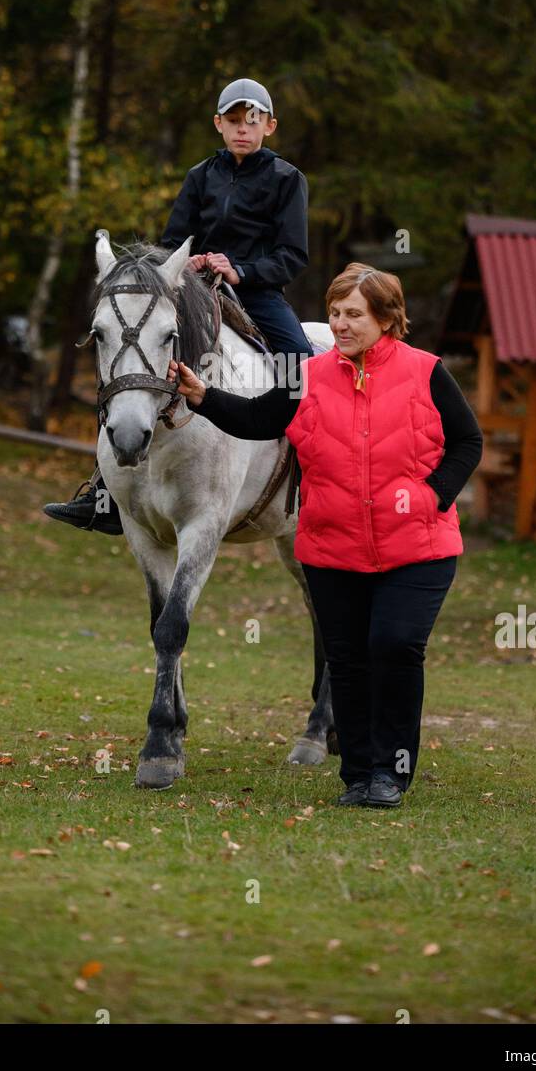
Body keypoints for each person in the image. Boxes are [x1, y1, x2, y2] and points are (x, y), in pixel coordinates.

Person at [169, 262, 483, 809]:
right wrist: (202, 397)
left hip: (416, 547)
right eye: (335, 313)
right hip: (333, 548)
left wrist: (433, 495)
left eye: (353, 314)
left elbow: (468, 442)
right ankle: (359, 774)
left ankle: (391, 771)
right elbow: (255, 419)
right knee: (349, 659)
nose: (339, 324)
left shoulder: (426, 372)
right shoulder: (309, 375)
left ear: (386, 318)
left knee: (394, 646)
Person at [43, 77, 314, 534]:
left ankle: (309, 473)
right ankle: (104, 494)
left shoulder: (287, 179)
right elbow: (170, 243)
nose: (242, 129)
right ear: (218, 125)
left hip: (257, 292)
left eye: (252, 121)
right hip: (189, 289)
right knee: (133, 362)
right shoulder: (200, 176)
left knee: (299, 365)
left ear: (269, 125)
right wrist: (188, 262)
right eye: (232, 121)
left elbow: (292, 256)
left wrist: (241, 270)